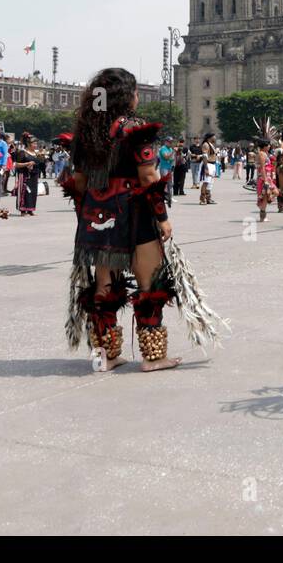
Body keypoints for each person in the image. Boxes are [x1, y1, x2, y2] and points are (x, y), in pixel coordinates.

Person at [64, 67, 180, 372]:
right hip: (134, 213)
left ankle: (106, 355)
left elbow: (78, 181)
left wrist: (88, 212)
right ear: (127, 96)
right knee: (149, 280)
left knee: (104, 283)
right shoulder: (135, 128)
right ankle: (153, 357)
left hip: (96, 214)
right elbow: (148, 175)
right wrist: (163, 217)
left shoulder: (87, 129)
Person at [14, 132, 40, 216]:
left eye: (36, 143)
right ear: (28, 144)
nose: (36, 145)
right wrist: (27, 164)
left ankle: (30, 209)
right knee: (24, 192)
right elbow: (16, 164)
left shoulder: (36, 153)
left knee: (33, 192)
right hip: (25, 175)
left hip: (34, 176)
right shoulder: (23, 152)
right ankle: (23, 210)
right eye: (34, 143)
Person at [198, 132, 218, 205]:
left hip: (212, 164)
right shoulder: (206, 144)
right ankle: (202, 199)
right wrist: (206, 168)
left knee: (210, 183)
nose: (215, 138)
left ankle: (208, 198)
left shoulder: (211, 144)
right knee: (206, 182)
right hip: (208, 164)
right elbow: (205, 156)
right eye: (214, 137)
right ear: (210, 137)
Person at [157, 139, 176, 207]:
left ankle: (170, 197)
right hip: (164, 168)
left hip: (169, 168)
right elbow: (166, 157)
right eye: (169, 142)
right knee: (164, 183)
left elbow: (171, 159)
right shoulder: (163, 149)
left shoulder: (170, 149)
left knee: (170, 183)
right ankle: (164, 197)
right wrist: (172, 152)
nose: (171, 143)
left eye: (171, 142)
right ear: (166, 142)